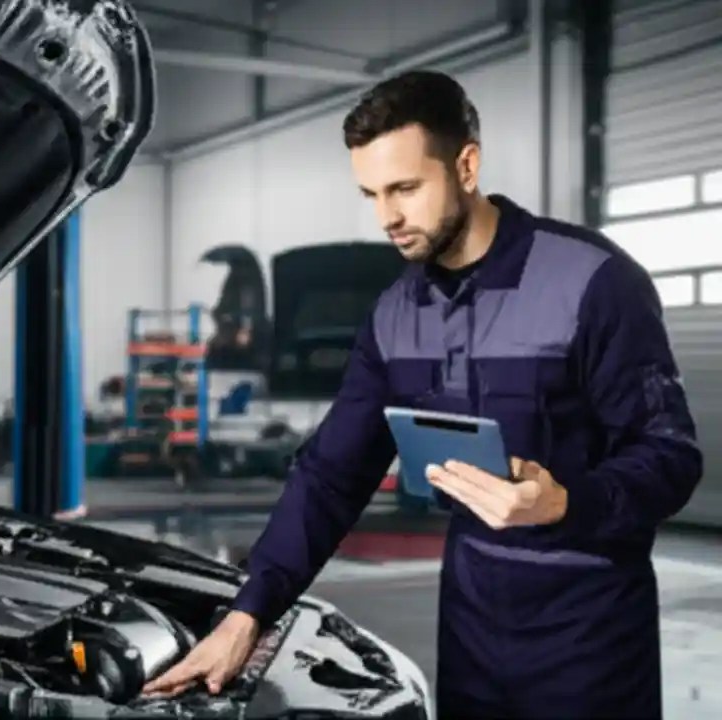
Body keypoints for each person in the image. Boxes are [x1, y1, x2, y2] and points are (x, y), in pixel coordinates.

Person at [141, 69, 703, 719]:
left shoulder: (592, 281)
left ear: (466, 165)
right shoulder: (394, 313)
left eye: (405, 188)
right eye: (372, 193)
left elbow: (669, 456)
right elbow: (331, 474)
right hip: (469, 636)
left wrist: (565, 502)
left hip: (588, 639)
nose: (388, 217)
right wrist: (249, 613)